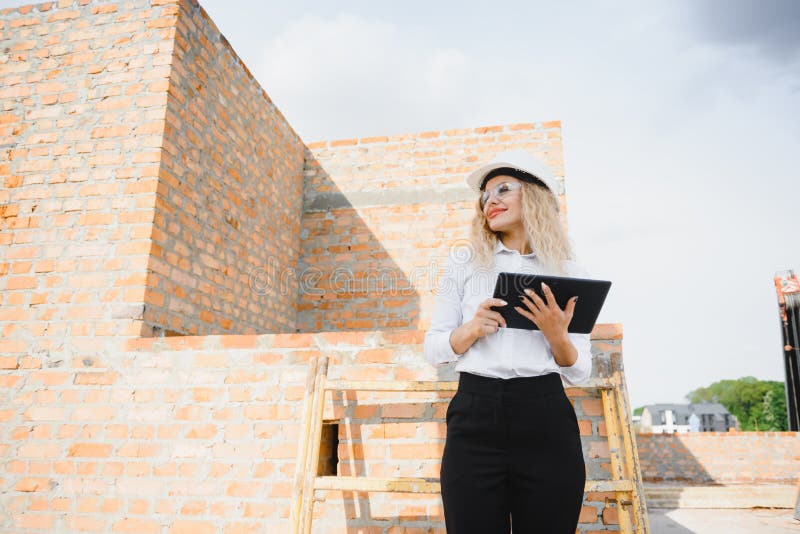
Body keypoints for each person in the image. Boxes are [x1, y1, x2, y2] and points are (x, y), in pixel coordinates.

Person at [423, 150, 592, 533]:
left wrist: (556, 336)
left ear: (533, 196)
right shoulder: (465, 263)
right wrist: (470, 330)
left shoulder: (568, 271)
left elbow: (581, 370)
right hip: (475, 416)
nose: (490, 201)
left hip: (545, 418)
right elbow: (433, 348)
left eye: (503, 189)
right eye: (484, 196)